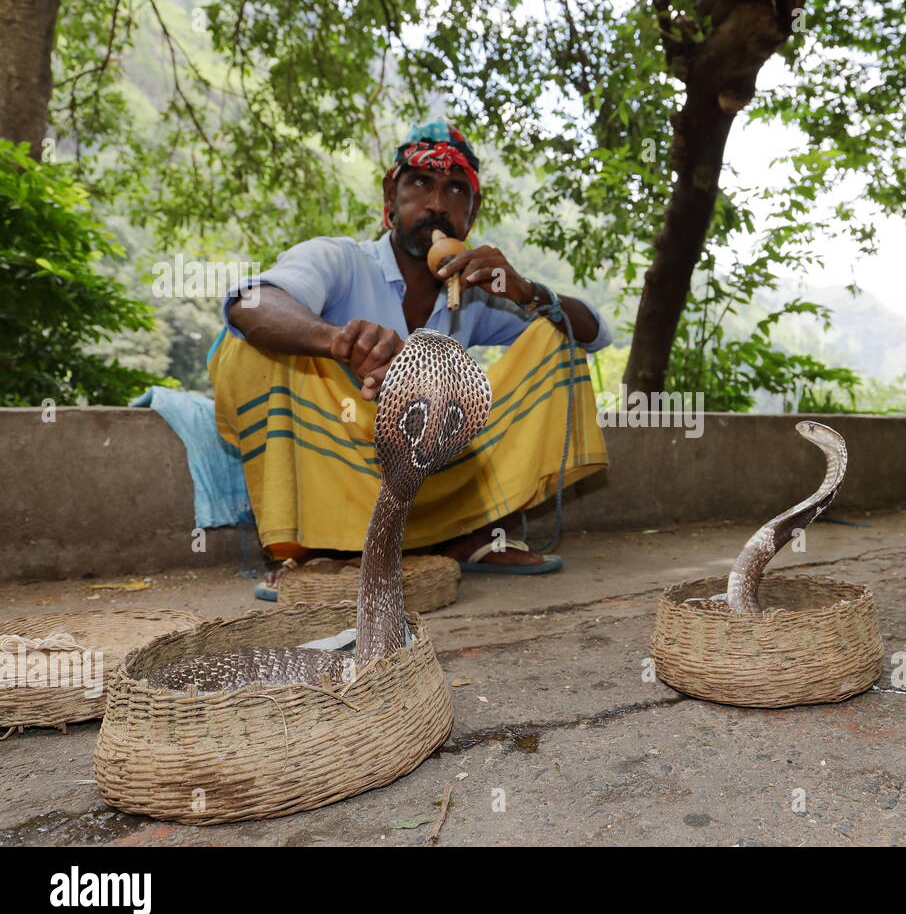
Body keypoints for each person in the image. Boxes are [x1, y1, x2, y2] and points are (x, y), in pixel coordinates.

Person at [208, 120, 611, 596]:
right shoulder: (340, 260)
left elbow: (591, 333)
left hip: (429, 473)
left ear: (472, 212)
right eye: (420, 183)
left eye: (456, 191)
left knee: (555, 332)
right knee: (251, 344)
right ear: (390, 196)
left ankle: (470, 534)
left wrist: (527, 291)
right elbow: (249, 303)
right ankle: (313, 546)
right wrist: (337, 342)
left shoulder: (477, 296)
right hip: (345, 466)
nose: (437, 204)